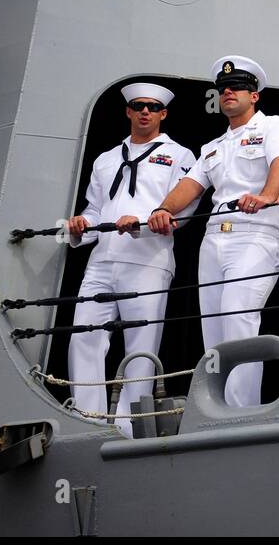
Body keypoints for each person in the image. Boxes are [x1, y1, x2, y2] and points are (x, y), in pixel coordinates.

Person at [144, 56, 279, 407]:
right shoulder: (213, 146)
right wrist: (163, 209)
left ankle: (244, 411)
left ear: (254, 95)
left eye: (238, 86)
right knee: (213, 329)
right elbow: (191, 185)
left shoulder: (274, 126)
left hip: (255, 232)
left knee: (237, 314)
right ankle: (218, 411)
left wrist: (267, 197)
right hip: (214, 239)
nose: (229, 92)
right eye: (223, 88)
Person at [67, 83, 196, 436]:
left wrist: (143, 222)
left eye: (153, 108)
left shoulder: (180, 155)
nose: (145, 112)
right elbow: (95, 209)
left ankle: (128, 426)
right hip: (103, 258)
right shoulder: (106, 158)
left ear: (163, 114)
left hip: (147, 259)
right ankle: (86, 417)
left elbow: (183, 211)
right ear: (127, 111)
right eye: (138, 106)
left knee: (140, 346)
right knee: (85, 335)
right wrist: (81, 226)